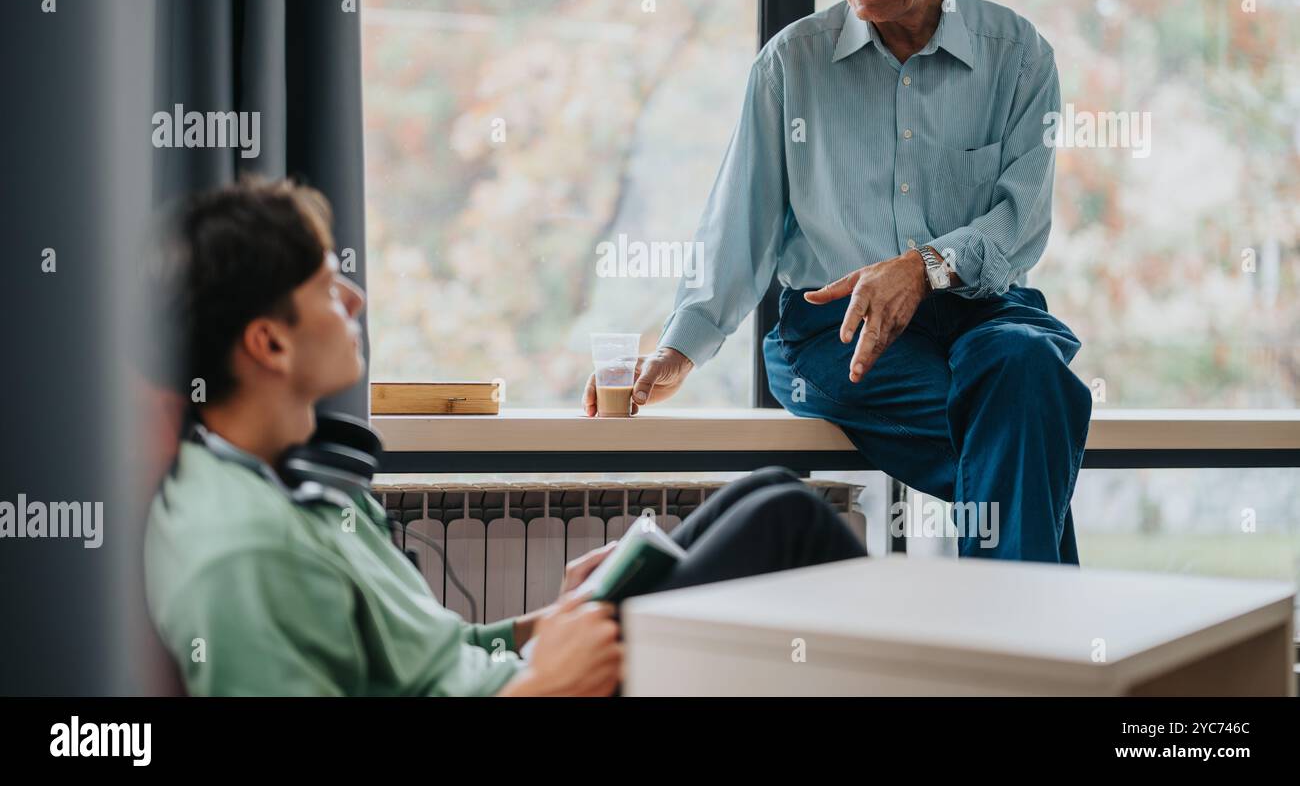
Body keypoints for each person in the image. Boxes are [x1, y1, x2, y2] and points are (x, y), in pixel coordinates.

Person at [142, 177, 865, 696]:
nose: (355, 298)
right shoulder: (241, 552)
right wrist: (545, 685)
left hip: (523, 675)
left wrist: (548, 624)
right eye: (329, 286)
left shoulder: (300, 480)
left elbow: (433, 654)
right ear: (269, 343)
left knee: (766, 491)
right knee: (788, 524)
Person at [584, 0, 1091, 563]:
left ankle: (1006, 646)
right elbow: (742, 223)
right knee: (1029, 424)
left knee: (1025, 366)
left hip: (980, 316)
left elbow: (1019, 229)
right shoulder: (792, 63)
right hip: (834, 335)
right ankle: (1027, 651)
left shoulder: (1017, 56)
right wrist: (679, 349)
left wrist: (922, 268)